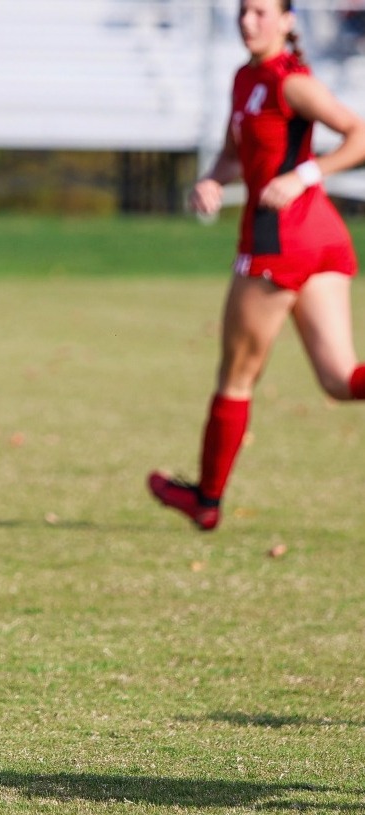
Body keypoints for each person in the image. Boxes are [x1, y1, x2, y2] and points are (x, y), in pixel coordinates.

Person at [149, 0, 365, 531]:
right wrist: (212, 179)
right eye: (244, 11)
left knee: (236, 377)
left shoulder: (292, 81)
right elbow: (231, 152)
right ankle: (205, 495)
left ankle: (206, 499)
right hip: (321, 239)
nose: (249, 21)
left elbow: (358, 134)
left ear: (288, 21)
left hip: (281, 239)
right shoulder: (246, 78)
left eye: (262, 12)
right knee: (340, 381)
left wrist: (303, 175)